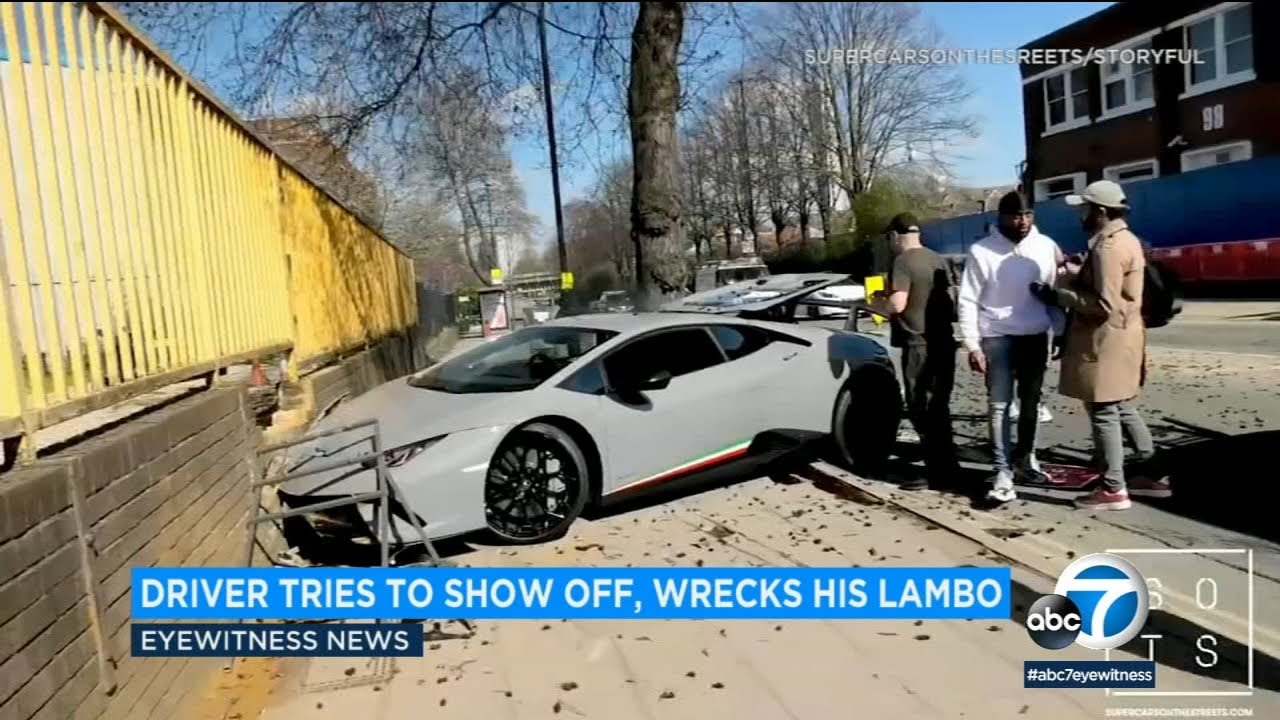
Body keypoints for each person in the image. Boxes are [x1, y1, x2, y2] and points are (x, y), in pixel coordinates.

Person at [1029, 180, 1171, 510]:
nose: (1081, 214)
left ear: (1101, 212)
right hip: (1124, 336)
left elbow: (1104, 304)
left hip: (1104, 340)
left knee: (1104, 411)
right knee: (1121, 406)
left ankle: (1113, 489)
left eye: (1085, 208)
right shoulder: (1126, 239)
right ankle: (1153, 476)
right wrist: (1082, 272)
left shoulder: (1108, 247)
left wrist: (1059, 294)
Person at [957, 191, 1065, 505]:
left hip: (1035, 334)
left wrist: (1060, 332)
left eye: (1028, 215)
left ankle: (1026, 459)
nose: (1022, 222)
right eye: (1016, 216)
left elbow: (1054, 293)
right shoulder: (982, 251)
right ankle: (1002, 472)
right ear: (1002, 217)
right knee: (999, 406)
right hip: (997, 337)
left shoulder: (1045, 247)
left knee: (1032, 404)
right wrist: (973, 344)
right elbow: (967, 299)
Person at [868, 213, 960, 490]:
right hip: (944, 342)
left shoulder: (903, 261)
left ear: (895, 236)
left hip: (918, 345)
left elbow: (897, 304)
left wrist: (873, 304)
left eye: (890, 238)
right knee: (939, 407)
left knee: (922, 408)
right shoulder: (936, 258)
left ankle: (937, 472)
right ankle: (948, 466)